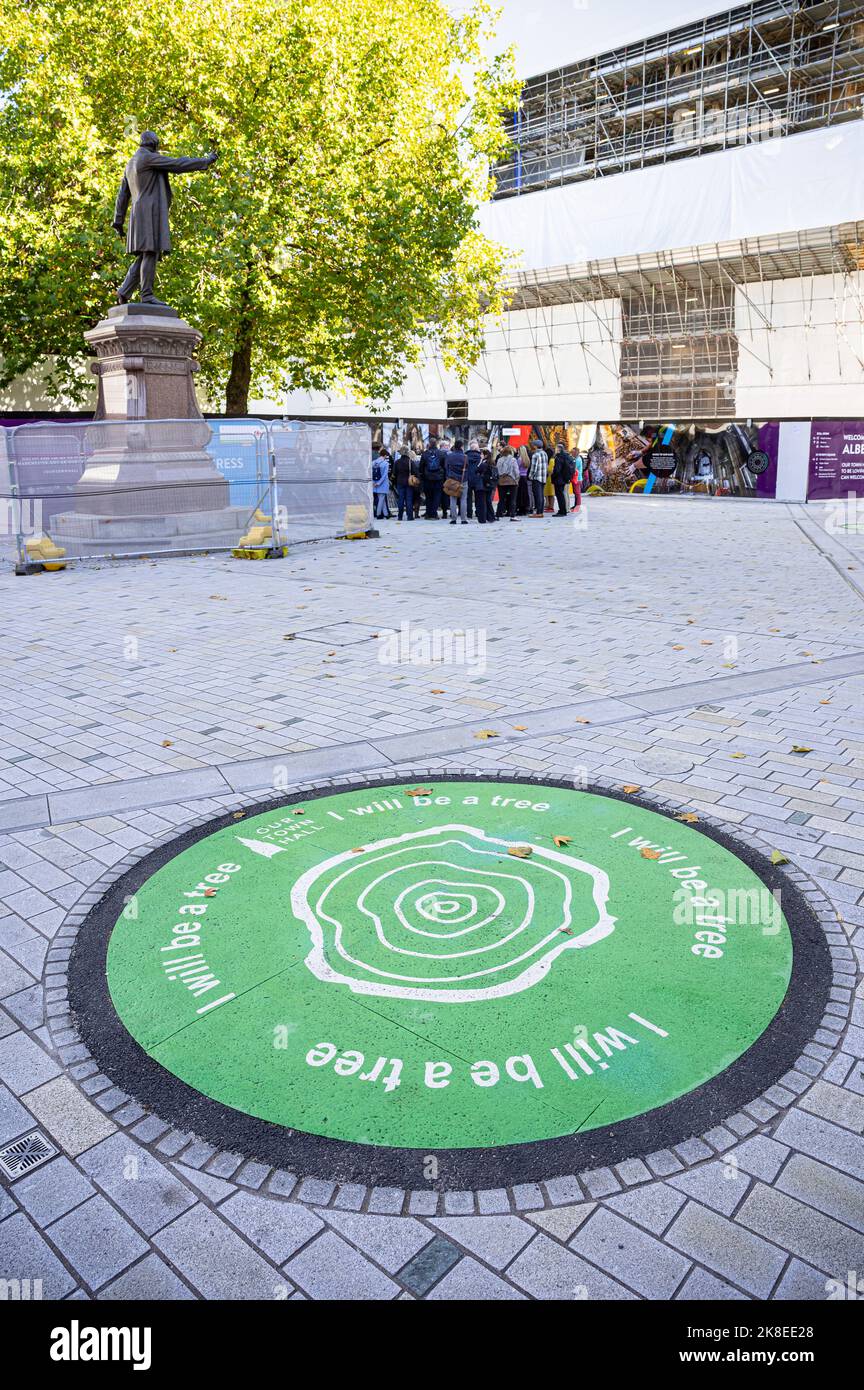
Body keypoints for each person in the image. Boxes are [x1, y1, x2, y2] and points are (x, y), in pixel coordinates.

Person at [444, 438, 469, 525]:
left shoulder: (449, 456)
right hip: (463, 480)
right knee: (463, 499)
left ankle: (453, 518)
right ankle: (463, 519)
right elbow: (467, 468)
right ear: (462, 446)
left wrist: (448, 476)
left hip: (452, 480)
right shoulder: (465, 457)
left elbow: (446, 467)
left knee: (453, 499)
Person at [420, 438, 444, 519]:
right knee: (437, 496)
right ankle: (434, 514)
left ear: (429, 444)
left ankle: (428, 514)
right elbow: (444, 466)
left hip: (427, 478)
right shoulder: (441, 453)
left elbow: (421, 467)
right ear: (436, 444)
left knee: (428, 497)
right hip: (438, 478)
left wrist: (423, 477)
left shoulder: (425, 454)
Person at [465, 438, 486, 523]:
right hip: (478, 479)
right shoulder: (480, 457)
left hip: (468, 478)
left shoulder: (465, 456)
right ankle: (478, 512)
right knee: (478, 497)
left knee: (468, 497)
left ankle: (469, 513)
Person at [495, 446, 519, 519]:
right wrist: (517, 478)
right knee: (513, 499)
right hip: (512, 481)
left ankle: (498, 514)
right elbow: (516, 471)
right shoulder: (513, 460)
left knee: (502, 499)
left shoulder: (499, 460)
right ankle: (512, 515)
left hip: (502, 481)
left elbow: (497, 470)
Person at [392, 446, 415, 521]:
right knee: (409, 499)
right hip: (409, 483)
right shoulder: (410, 462)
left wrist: (394, 483)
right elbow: (415, 472)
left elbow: (394, 474)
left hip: (400, 483)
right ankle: (410, 516)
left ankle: (400, 516)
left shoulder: (397, 462)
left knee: (401, 499)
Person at [552, 444, 575, 516]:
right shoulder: (568, 456)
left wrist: (553, 476)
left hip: (558, 479)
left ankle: (562, 511)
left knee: (559, 495)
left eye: (556, 449)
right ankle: (563, 510)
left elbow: (557, 470)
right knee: (562, 494)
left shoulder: (559, 457)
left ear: (558, 449)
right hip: (565, 478)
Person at [529, 441, 548, 516]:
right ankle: (541, 511)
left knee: (538, 495)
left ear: (536, 446)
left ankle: (539, 513)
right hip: (543, 476)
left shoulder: (535, 455)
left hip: (537, 477)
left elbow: (533, 467)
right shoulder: (544, 453)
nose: (532, 446)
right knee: (541, 494)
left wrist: (530, 476)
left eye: (533, 445)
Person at [372, 447, 391, 520]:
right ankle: (378, 514)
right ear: (385, 455)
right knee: (381, 499)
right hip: (382, 484)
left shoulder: (374, 462)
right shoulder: (385, 463)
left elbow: (371, 473)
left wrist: (375, 483)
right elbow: (384, 475)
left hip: (375, 483)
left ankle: (386, 514)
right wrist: (379, 483)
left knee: (381, 498)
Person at [481, 449, 498, 523]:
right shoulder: (492, 463)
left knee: (486, 501)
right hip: (491, 484)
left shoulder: (484, 463)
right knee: (488, 500)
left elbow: (478, 470)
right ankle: (491, 516)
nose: (480, 455)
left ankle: (489, 516)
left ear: (485, 455)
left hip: (485, 483)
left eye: (482, 454)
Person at [516, 445, 531, 515]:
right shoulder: (527, 459)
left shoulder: (519, 459)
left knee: (520, 494)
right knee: (525, 493)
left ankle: (521, 508)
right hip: (525, 477)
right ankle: (525, 508)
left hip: (520, 477)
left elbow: (517, 469)